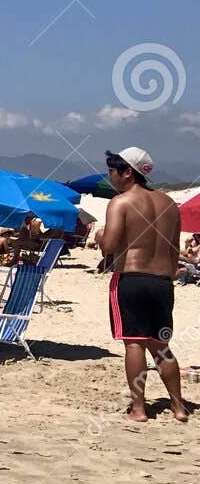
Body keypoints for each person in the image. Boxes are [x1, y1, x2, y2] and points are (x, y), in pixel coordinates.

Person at [101, 146, 187, 423]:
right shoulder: (169, 204)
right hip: (163, 281)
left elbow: (110, 246)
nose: (110, 176)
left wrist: (102, 235)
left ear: (128, 172)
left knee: (134, 344)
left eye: (112, 171)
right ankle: (178, 407)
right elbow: (174, 249)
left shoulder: (121, 202)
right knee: (161, 345)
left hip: (132, 278)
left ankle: (138, 409)